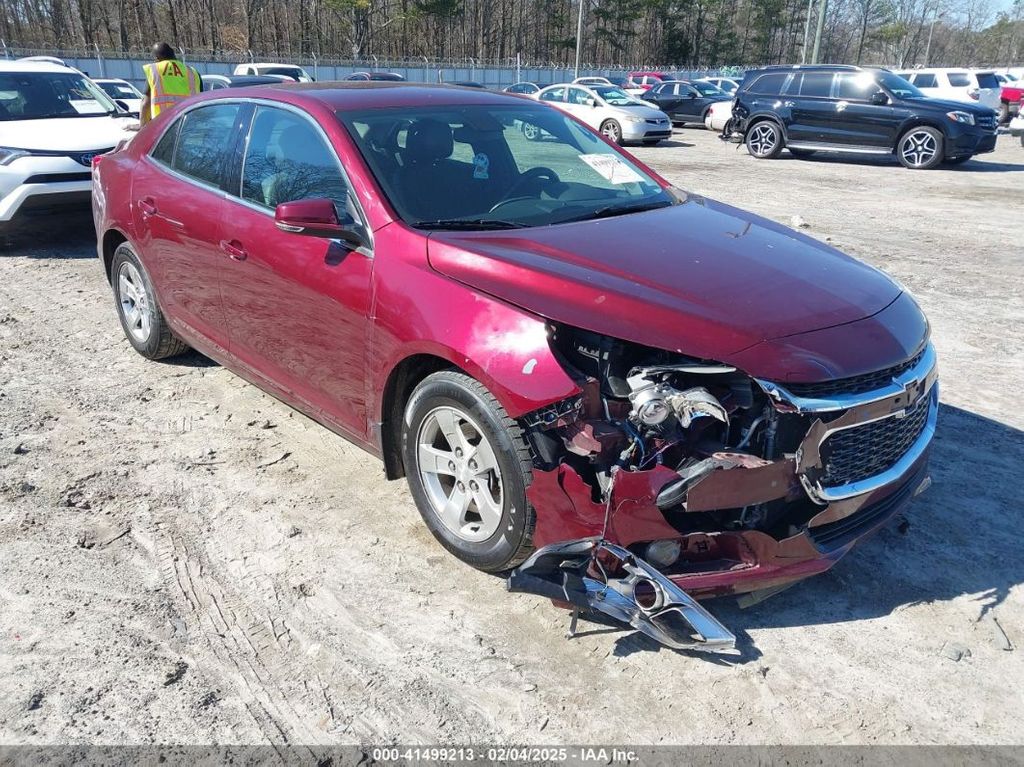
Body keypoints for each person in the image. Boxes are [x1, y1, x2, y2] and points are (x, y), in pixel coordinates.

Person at [140, 42, 201, 126]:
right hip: (188, 125)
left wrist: (142, 128)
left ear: (157, 58)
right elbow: (201, 100)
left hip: (163, 126)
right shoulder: (192, 72)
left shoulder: (155, 70)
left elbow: (145, 103)